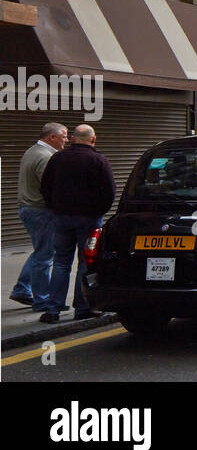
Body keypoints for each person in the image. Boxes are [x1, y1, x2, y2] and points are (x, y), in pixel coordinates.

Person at [39, 123, 115, 323]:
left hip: (62, 217)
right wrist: (98, 211)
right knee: (85, 262)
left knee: (61, 262)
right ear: (93, 139)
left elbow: (45, 186)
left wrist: (55, 208)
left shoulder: (57, 158)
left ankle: (53, 310)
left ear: (73, 138)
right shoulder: (99, 160)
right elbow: (109, 192)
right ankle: (82, 308)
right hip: (89, 219)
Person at [11, 122, 67, 312]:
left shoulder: (31, 150)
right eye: (64, 136)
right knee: (44, 257)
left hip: (28, 208)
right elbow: (51, 188)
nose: (66, 140)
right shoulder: (46, 157)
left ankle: (21, 288)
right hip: (41, 211)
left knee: (40, 252)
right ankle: (42, 300)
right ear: (52, 137)